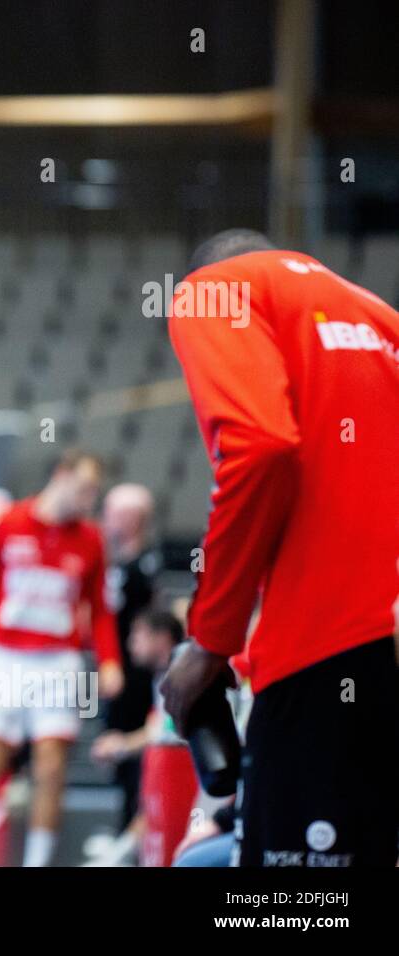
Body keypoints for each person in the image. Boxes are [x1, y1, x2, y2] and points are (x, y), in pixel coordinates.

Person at [162, 229, 399, 868]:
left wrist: (210, 642)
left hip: (323, 651)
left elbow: (260, 446)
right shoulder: (381, 319)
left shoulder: (213, 290)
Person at [0, 449, 123, 866]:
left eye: (94, 493)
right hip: (3, 661)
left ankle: (38, 861)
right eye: (84, 489)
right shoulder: (9, 523)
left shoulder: (90, 541)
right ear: (62, 476)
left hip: (58, 664)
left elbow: (100, 609)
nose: (89, 500)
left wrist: (110, 660)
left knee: (51, 769)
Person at [86, 609, 184, 864]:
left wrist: (122, 745)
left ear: (161, 639)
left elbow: (168, 730)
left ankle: (119, 853)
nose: (130, 645)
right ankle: (120, 851)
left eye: (138, 636)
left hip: (192, 777)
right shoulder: (162, 676)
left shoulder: (182, 672)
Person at [100, 483, 162, 830]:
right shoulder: (114, 562)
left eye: (114, 513)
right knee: (115, 749)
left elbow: (149, 617)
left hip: (136, 674)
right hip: (115, 669)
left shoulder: (145, 564)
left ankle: (134, 830)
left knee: (133, 747)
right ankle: (124, 828)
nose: (106, 520)